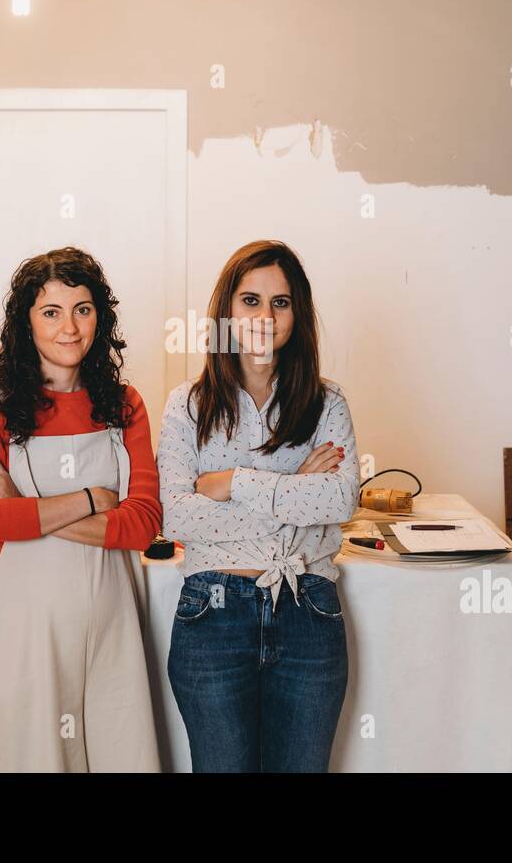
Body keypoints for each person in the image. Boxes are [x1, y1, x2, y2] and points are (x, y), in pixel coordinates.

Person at [158, 239, 360, 772]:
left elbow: (340, 499)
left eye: (281, 302)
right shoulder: (187, 405)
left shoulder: (326, 401)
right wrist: (294, 486)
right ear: (226, 310)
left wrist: (234, 482)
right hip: (212, 612)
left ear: (299, 313)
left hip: (308, 608)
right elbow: (176, 515)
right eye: (250, 301)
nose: (265, 317)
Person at [0, 246, 162, 772]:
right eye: (51, 312)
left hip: (111, 628)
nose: (69, 327)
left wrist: (25, 509)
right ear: (25, 323)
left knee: (122, 754)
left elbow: (143, 525)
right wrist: (91, 500)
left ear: (101, 316)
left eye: (83, 308)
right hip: (24, 632)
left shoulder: (124, 405)